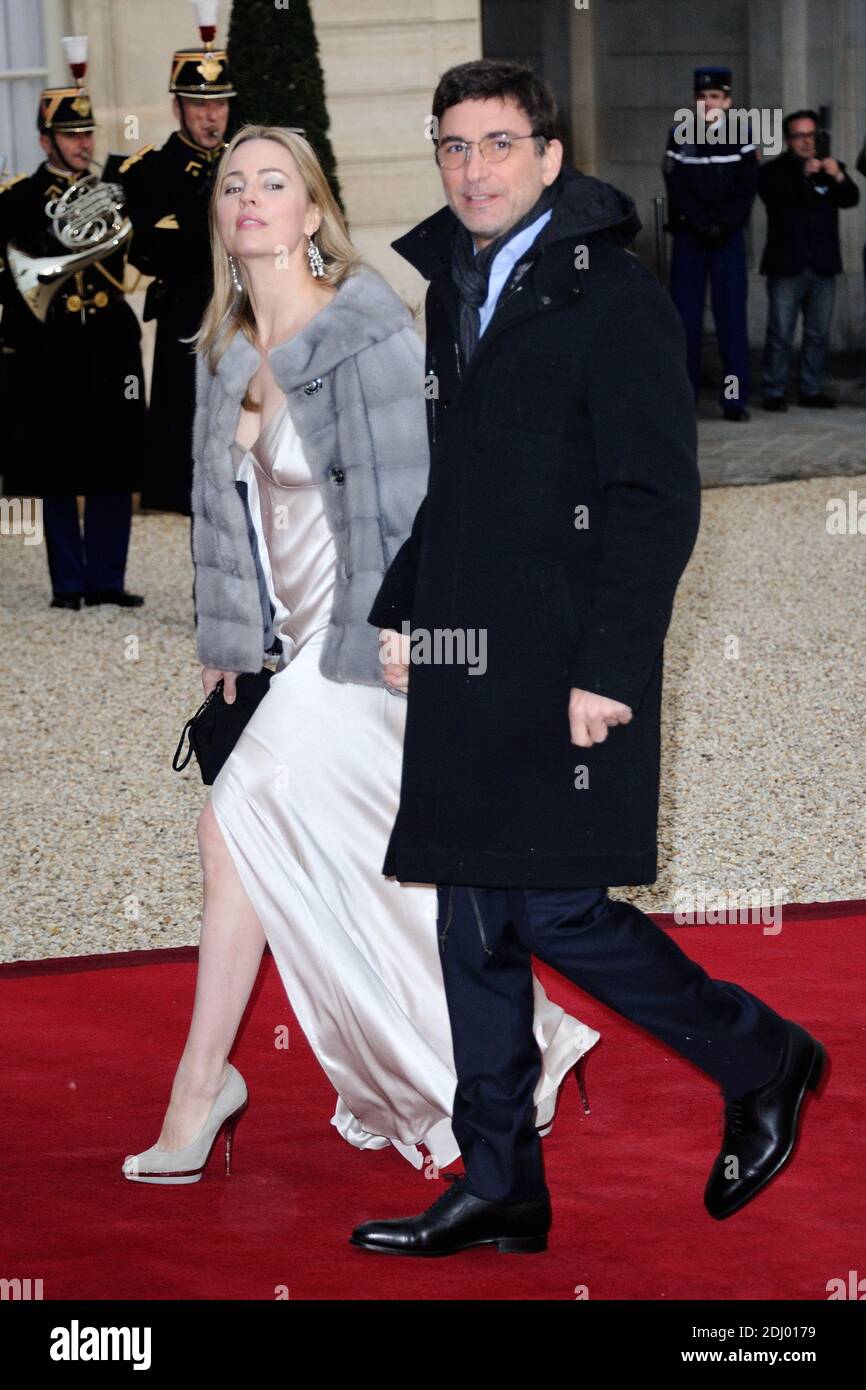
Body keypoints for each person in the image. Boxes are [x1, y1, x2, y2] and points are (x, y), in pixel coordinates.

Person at [350, 59, 826, 1258]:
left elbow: (656, 498)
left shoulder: (611, 295)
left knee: (556, 907)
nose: (471, 170)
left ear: (548, 157)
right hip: (469, 652)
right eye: (451, 146)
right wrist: (402, 610)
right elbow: (453, 485)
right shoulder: (455, 288)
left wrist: (609, 670)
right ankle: (501, 1180)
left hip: (567, 657)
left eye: (496, 145)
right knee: (474, 920)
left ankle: (759, 1052)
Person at [121, 124, 599, 1186]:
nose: (249, 198)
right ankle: (512, 1044)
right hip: (286, 651)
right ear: (220, 216)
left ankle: (202, 1089)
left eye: (273, 183)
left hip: (366, 640)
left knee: (229, 822)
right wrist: (227, 645)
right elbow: (218, 522)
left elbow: (421, 496)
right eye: (234, 185)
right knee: (357, 876)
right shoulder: (220, 349)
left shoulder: (366, 325)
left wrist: (418, 636)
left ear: (310, 210)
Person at [0, 37, 143, 609]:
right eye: (70, 135)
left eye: (87, 134)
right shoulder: (18, 200)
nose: (83, 144)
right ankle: (68, 583)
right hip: (49, 344)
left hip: (109, 340)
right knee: (54, 462)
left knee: (114, 459)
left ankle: (107, 578)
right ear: (45, 140)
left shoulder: (115, 188)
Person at [120, 23, 234, 514]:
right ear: (178, 109)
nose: (212, 116)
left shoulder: (250, 158)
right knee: (188, 440)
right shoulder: (149, 170)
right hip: (186, 319)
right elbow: (147, 252)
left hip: (249, 313)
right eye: (199, 105)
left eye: (220, 103)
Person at [662, 66, 759, 421]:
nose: (707, 103)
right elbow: (675, 184)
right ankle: (683, 398)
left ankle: (733, 400)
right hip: (691, 236)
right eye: (702, 97)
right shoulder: (679, 135)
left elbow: (747, 186)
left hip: (727, 239)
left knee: (731, 320)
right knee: (683, 320)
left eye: (715, 97)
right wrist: (703, 223)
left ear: (728, 101)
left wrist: (724, 224)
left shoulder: (743, 136)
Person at [758, 109, 859, 410]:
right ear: (789, 140)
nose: (806, 141)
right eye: (800, 136)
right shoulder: (772, 171)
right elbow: (775, 199)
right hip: (786, 266)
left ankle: (810, 389)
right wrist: (803, 177)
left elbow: (851, 198)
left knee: (817, 334)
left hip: (823, 265)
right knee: (780, 334)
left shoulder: (831, 167)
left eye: (811, 135)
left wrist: (837, 175)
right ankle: (773, 391)